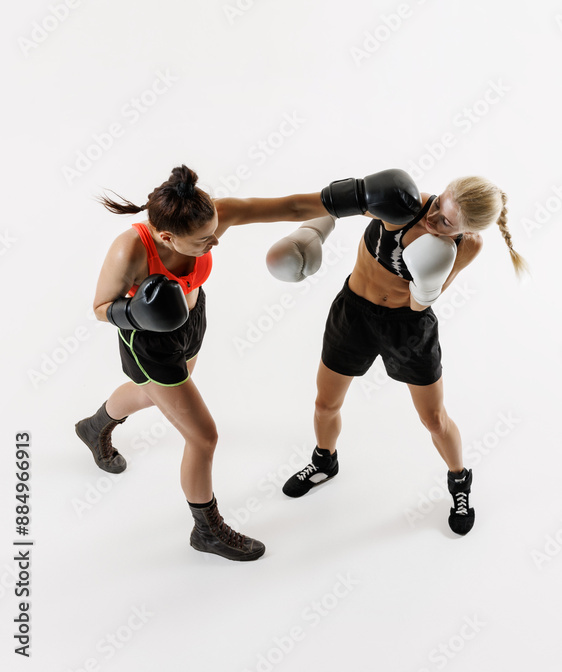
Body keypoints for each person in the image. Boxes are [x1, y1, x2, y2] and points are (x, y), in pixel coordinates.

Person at [76, 163, 336, 562]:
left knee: (150, 396)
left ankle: (94, 427)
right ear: (167, 237)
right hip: (150, 341)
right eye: (203, 241)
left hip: (192, 320)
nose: (215, 241)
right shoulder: (129, 250)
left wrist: (357, 198)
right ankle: (206, 531)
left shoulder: (209, 216)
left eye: (214, 232)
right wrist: (137, 312)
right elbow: (99, 308)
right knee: (203, 437)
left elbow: (291, 207)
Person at [267, 173, 529, 536]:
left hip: (408, 326)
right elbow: (329, 204)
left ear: (466, 230)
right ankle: (325, 461)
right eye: (438, 205)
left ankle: (459, 481)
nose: (432, 218)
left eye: (446, 223)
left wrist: (432, 274)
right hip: (354, 313)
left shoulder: (468, 245)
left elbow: (423, 302)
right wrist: (311, 232)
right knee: (325, 404)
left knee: (434, 419)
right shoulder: (400, 201)